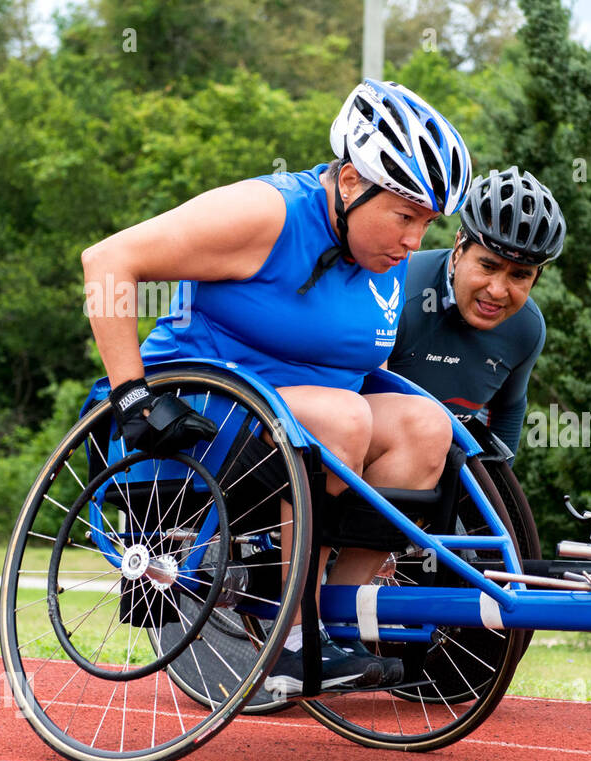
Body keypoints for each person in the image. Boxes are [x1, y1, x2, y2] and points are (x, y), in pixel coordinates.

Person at [81, 79, 472, 696]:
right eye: (404, 216)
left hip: (301, 433)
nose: (414, 241)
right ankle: (291, 636)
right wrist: (131, 394)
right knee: (344, 419)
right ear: (349, 184)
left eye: (427, 223)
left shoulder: (384, 262)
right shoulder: (268, 214)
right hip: (195, 425)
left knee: (426, 426)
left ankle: (337, 616)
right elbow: (107, 260)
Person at [385, 166, 566, 461]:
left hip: (446, 471)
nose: (497, 290)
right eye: (488, 266)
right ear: (458, 247)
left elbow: (509, 408)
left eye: (519, 276)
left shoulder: (526, 329)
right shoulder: (401, 295)